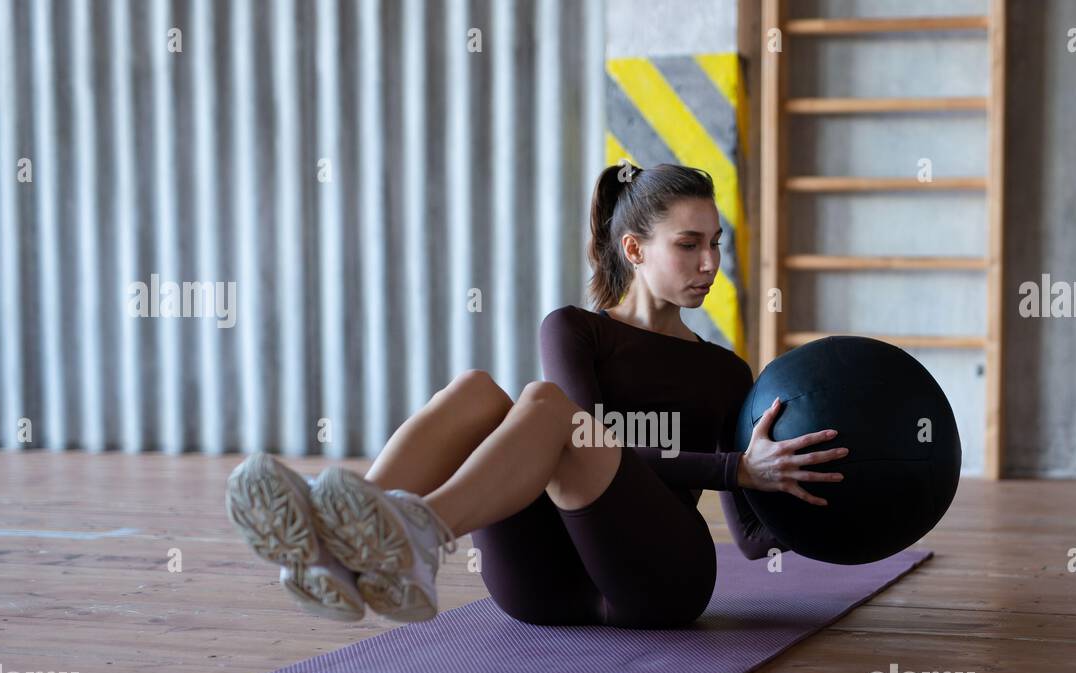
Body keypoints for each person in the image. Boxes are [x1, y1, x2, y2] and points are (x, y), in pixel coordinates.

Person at [225, 163, 849, 627]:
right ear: (634, 250)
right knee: (484, 393)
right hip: (544, 584)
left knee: (546, 408)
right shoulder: (576, 329)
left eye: (716, 244)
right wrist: (733, 467)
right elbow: (587, 437)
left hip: (658, 583)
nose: (711, 262)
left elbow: (750, 538)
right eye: (689, 244)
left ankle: (410, 536)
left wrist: (834, 492)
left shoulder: (725, 371)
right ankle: (341, 545)